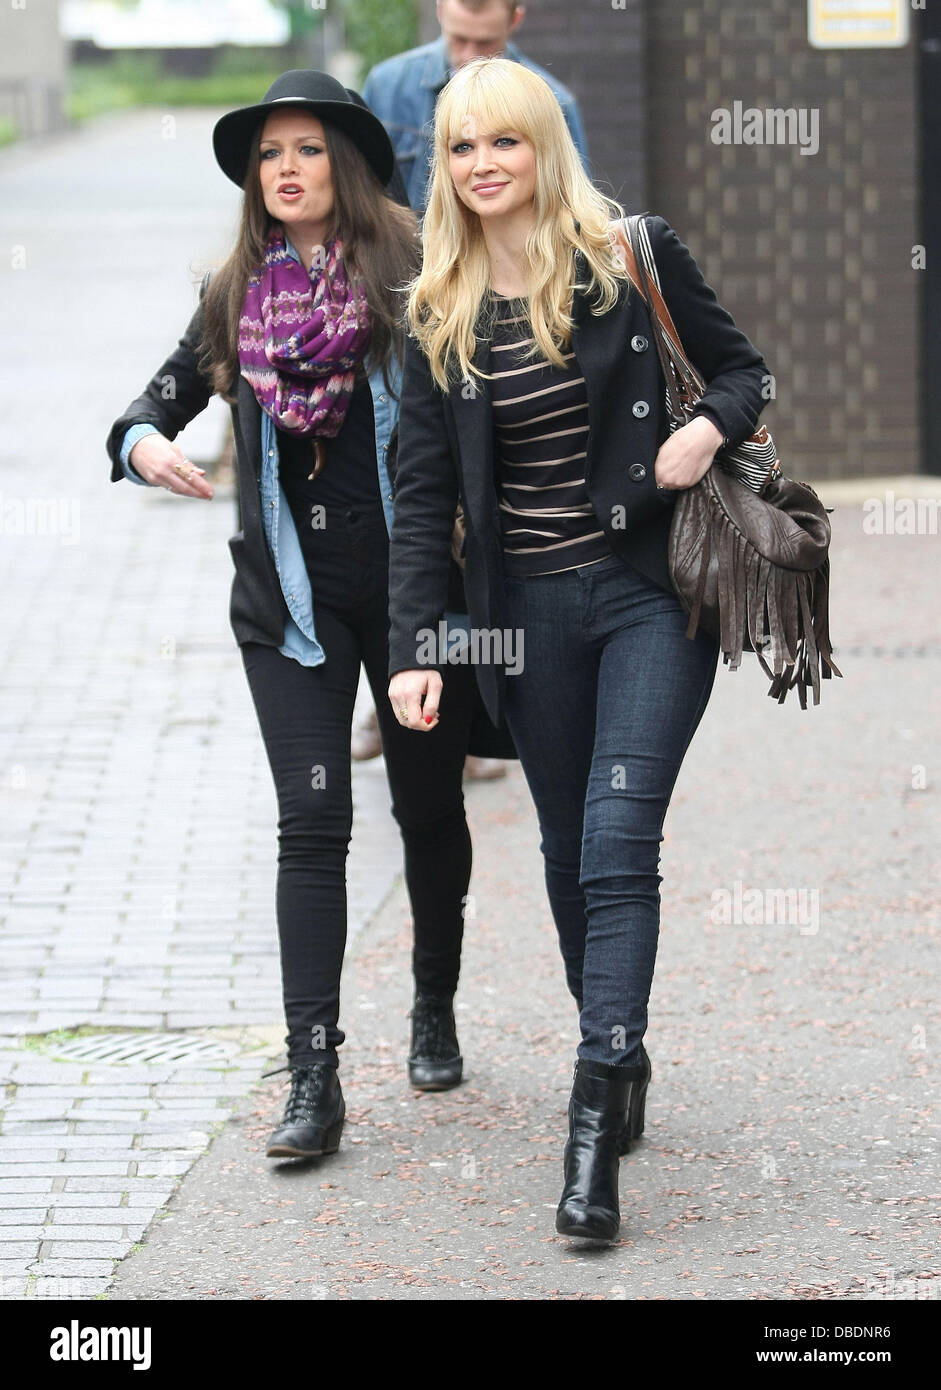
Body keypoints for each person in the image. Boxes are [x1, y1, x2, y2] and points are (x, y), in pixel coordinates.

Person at [387, 57, 771, 1241]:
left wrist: (702, 433)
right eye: (461, 148)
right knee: (564, 850)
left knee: (615, 839)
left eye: (505, 141)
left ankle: (589, 1120)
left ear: (543, 146)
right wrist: (416, 643)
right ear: (443, 166)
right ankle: (623, 1044)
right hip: (523, 616)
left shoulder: (625, 256)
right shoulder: (436, 311)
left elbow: (743, 371)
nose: (483, 164)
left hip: (649, 593)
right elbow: (418, 495)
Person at [105, 70, 511, 1161]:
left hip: (415, 594)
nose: (284, 169)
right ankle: (314, 1076)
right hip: (288, 605)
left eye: (306, 150)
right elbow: (157, 403)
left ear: (347, 160)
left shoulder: (414, 273)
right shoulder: (237, 290)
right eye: (268, 154)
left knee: (427, 810)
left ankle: (432, 1001)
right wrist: (143, 443)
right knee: (311, 822)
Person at [362, 0, 589, 212]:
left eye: (485, 43)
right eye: (459, 40)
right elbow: (360, 194)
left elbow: (575, 207)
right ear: (439, 10)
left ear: (515, 20)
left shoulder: (553, 102)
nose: (470, 57)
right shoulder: (387, 87)